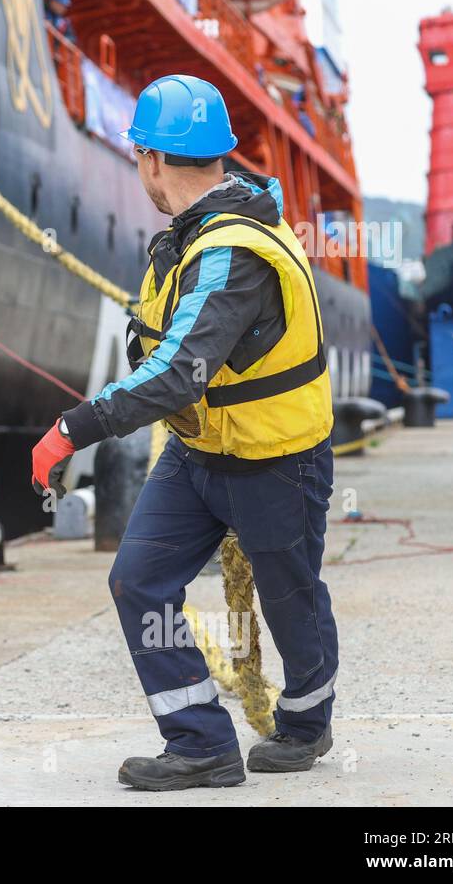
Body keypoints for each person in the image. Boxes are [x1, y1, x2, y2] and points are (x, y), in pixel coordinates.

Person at [30, 74, 338, 791]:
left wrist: (72, 429)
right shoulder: (198, 232)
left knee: (289, 595)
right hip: (201, 452)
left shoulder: (231, 252)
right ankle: (200, 742)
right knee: (139, 581)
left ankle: (307, 719)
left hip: (274, 457)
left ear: (148, 158)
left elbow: (175, 374)